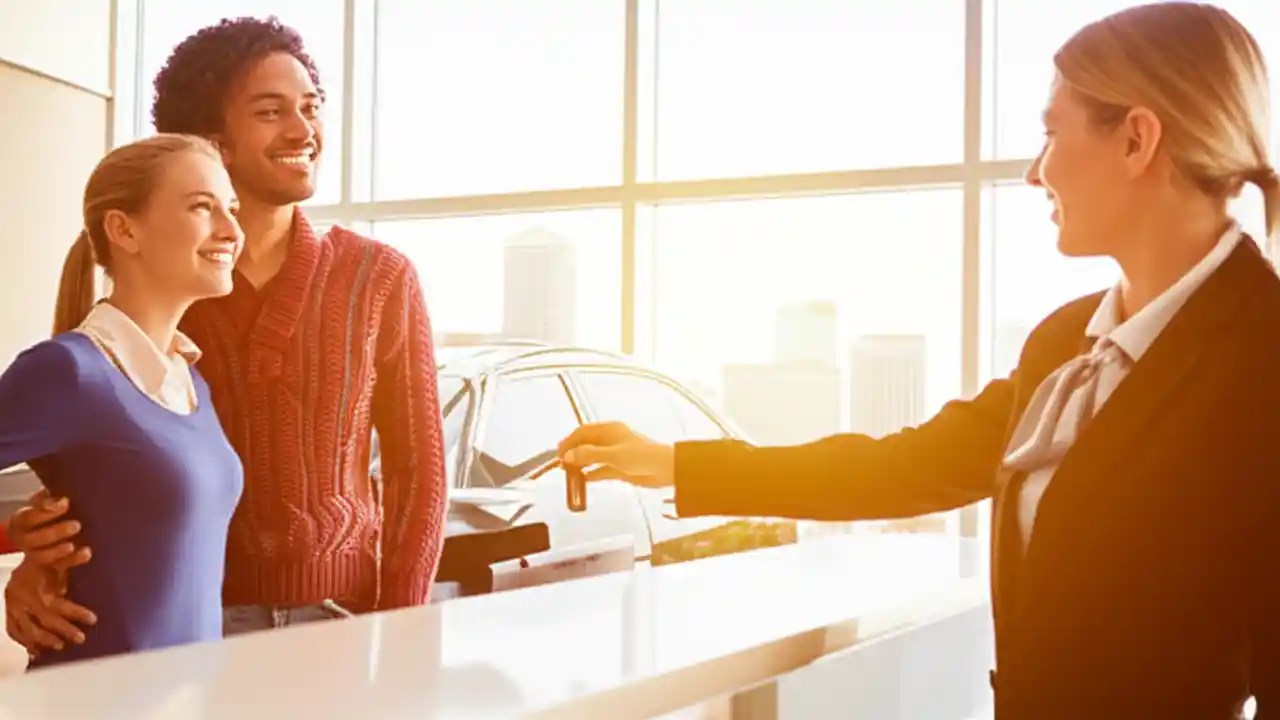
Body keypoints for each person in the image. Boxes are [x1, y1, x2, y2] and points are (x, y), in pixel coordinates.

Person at [558, 4, 1280, 717]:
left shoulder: (1262, 360)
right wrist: (677, 464)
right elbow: (908, 466)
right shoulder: (1067, 343)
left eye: (1051, 133)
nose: (1035, 172)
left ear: (1136, 141)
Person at [4, 16, 448, 647]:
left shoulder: (379, 278)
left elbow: (418, 473)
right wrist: (37, 554)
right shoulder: (169, 287)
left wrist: (404, 632)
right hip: (188, 628)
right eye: (270, 111)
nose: (303, 129)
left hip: (339, 623)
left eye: (311, 107)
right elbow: (89, 466)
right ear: (213, 139)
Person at [0, 134, 244, 667]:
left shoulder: (188, 379)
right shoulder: (67, 371)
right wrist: (10, 535)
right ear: (124, 229)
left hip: (190, 697)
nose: (231, 230)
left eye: (231, 208)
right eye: (202, 207)